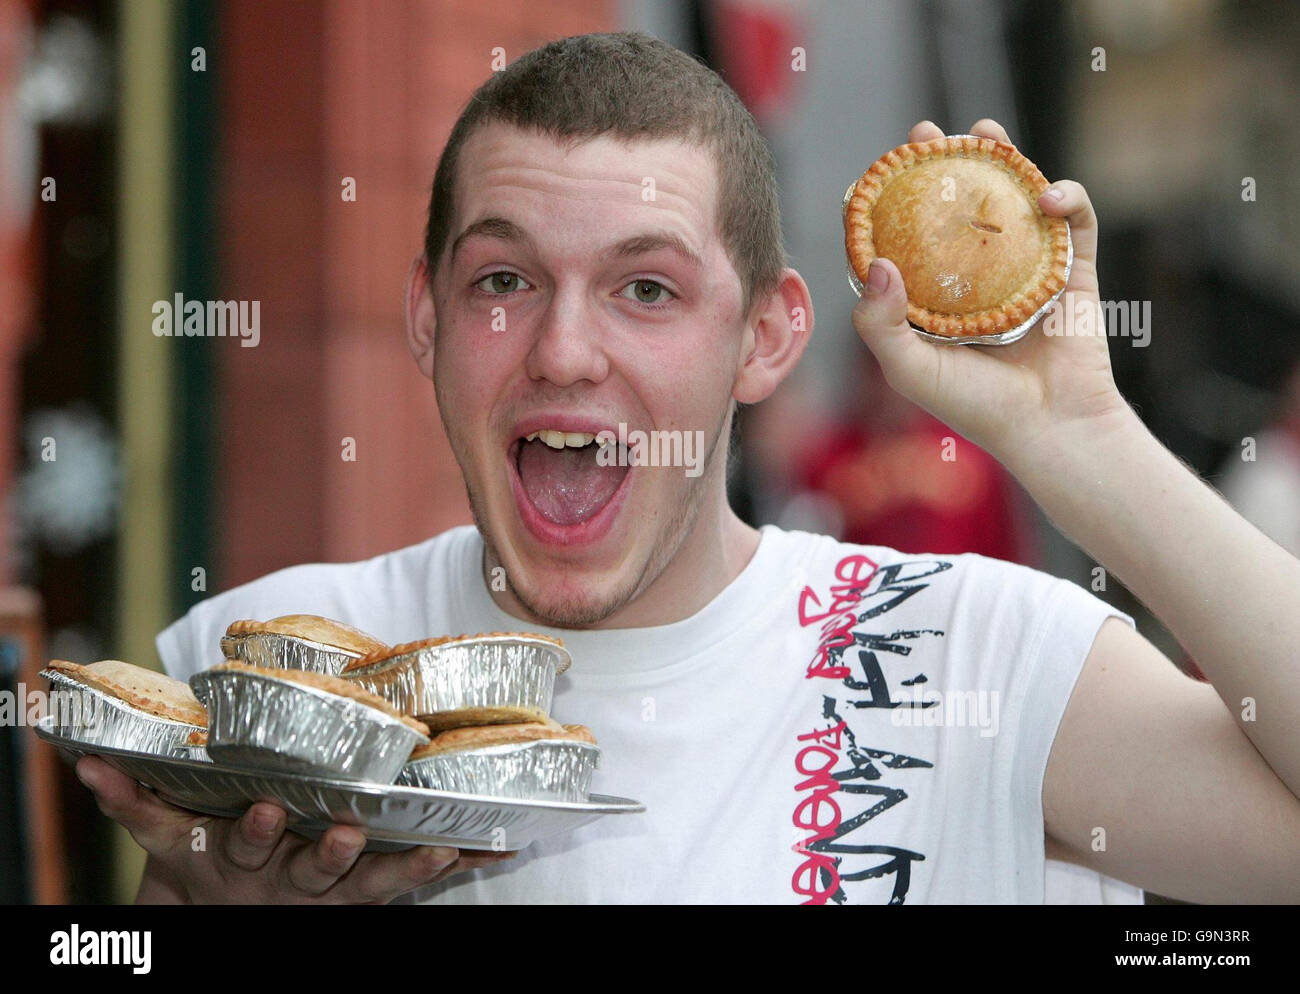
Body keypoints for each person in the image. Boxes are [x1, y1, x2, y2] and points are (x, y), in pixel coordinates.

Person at [76, 32, 1300, 904]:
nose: (563, 350)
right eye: (502, 280)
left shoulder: (982, 662)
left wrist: (1078, 436)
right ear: (426, 317)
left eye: (646, 288)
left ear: (766, 335)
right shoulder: (255, 681)